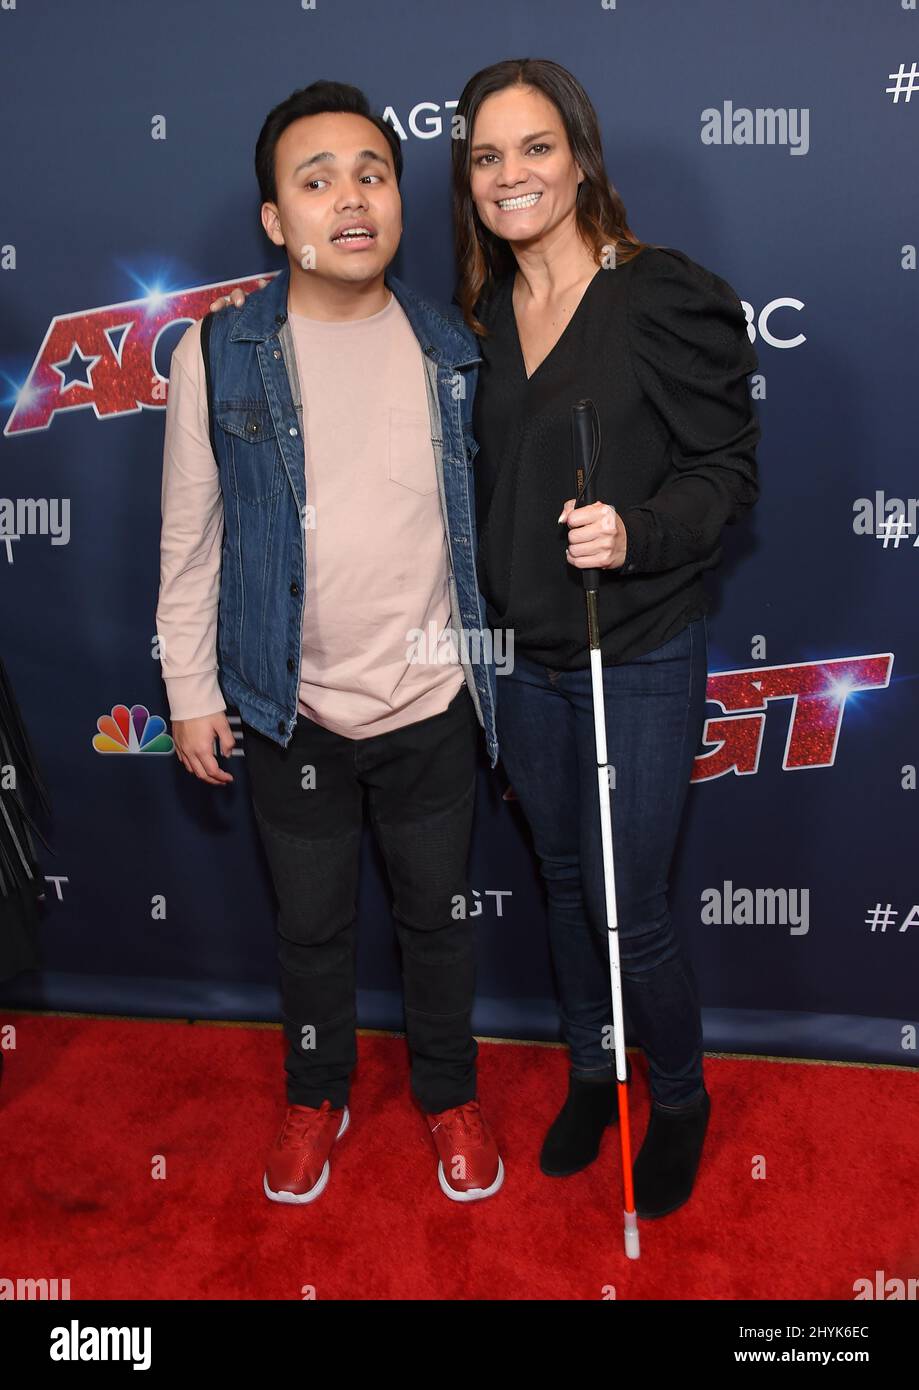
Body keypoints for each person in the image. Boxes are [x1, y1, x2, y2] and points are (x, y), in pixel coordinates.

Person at [155, 81, 504, 1205]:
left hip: (434, 703)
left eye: (372, 172)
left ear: (399, 196)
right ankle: (318, 1091)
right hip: (286, 706)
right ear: (274, 218)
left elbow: (489, 534)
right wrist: (189, 688)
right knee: (309, 929)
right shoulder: (217, 352)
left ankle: (449, 1094)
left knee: (436, 925)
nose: (350, 199)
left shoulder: (456, 345)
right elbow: (189, 537)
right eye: (316, 180)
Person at [449, 58, 761, 1218]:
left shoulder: (658, 294)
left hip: (633, 647)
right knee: (563, 877)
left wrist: (635, 531)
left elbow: (727, 472)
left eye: (534, 148)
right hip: (528, 657)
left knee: (625, 901)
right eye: (486, 156)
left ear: (579, 158)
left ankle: (677, 1095)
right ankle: (594, 1068)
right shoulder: (480, 315)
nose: (511, 174)